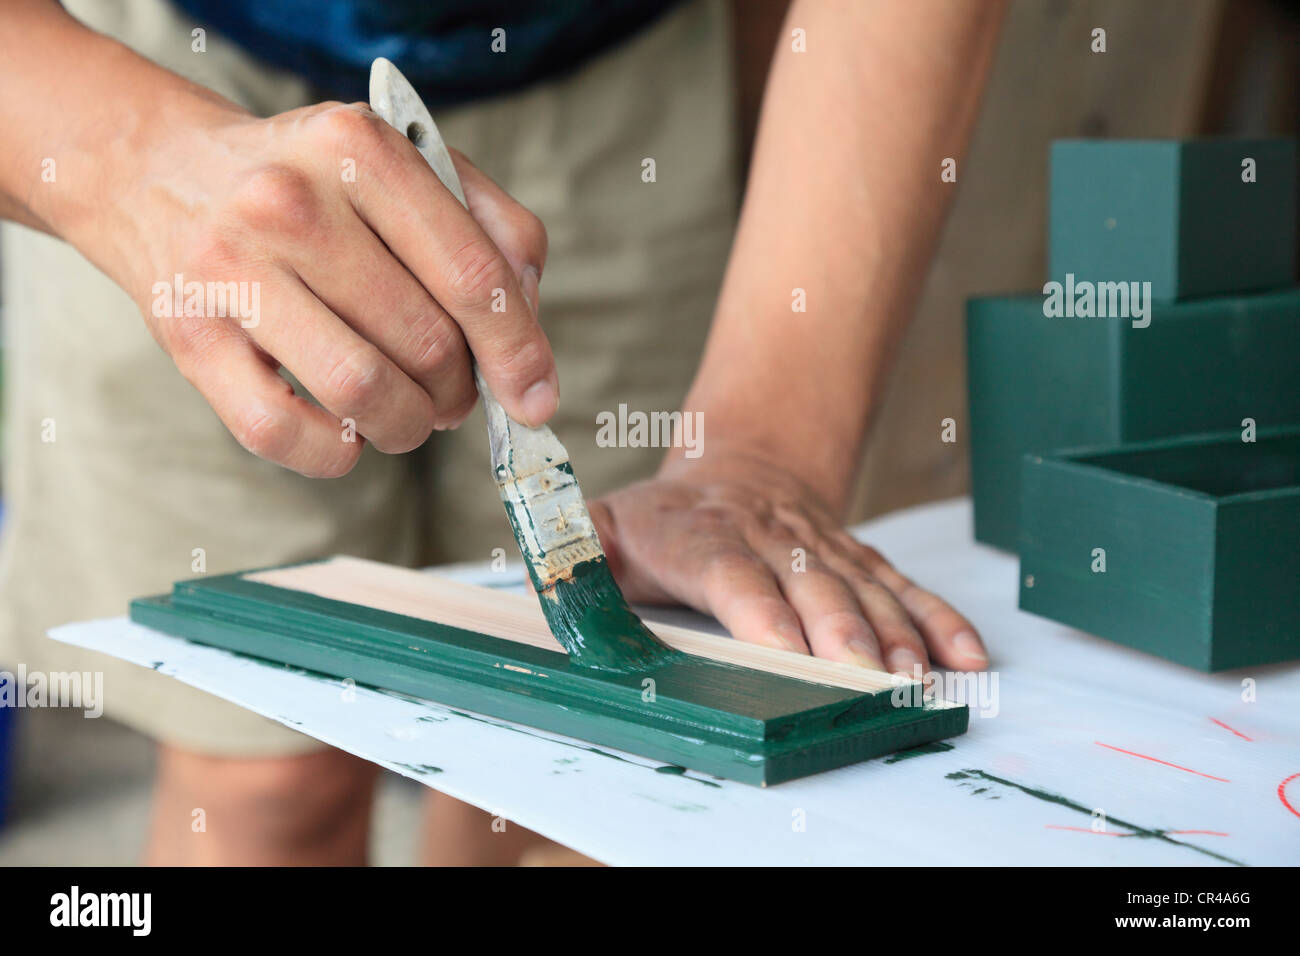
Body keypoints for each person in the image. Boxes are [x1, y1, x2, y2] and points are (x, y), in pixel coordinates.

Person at [0, 0, 1000, 864]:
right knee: (260, 774)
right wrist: (127, 158)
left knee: (540, 784)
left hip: (614, 92)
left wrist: (759, 452)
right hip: (144, 62)